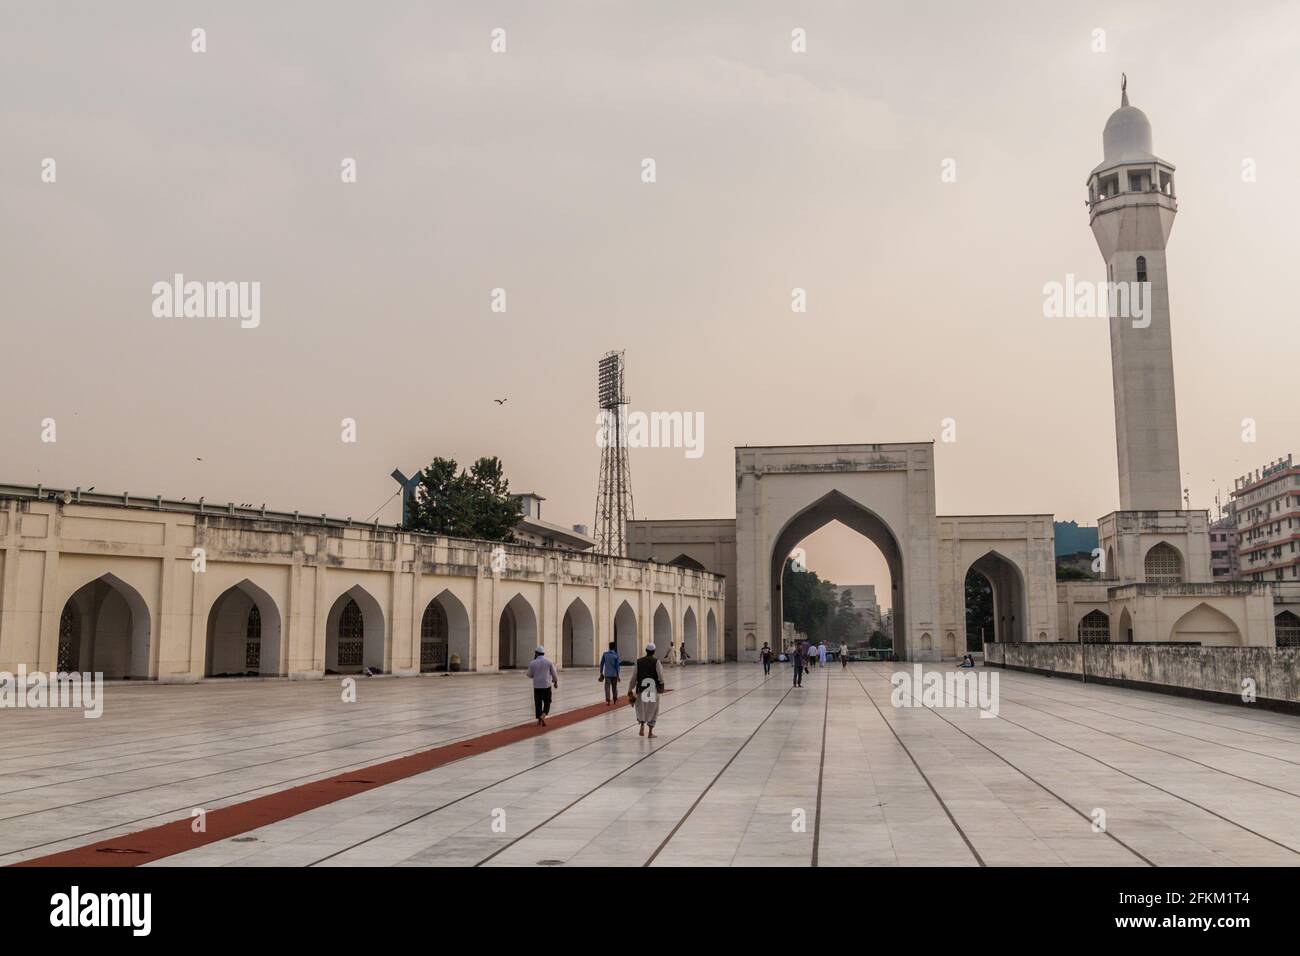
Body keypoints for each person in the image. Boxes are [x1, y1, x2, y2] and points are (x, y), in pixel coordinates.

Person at [629, 642, 666, 737]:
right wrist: (662, 684)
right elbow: (660, 675)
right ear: (654, 651)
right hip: (653, 689)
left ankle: (641, 725)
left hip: (641, 689)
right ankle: (650, 732)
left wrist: (630, 689)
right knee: (653, 710)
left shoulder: (639, 661)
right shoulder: (656, 661)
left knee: (641, 709)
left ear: (646, 651)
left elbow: (634, 677)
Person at [526, 645, 558, 726]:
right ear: (543, 653)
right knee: (547, 702)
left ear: (536, 653)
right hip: (546, 685)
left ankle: (539, 719)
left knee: (538, 703)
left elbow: (529, 675)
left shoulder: (533, 663)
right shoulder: (549, 662)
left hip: (537, 686)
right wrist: (555, 682)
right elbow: (554, 674)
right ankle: (543, 715)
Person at [598, 641, 621, 705]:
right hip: (614, 674)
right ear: (614, 647)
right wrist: (618, 675)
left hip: (607, 674)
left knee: (607, 687)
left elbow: (602, 664)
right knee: (614, 687)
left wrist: (601, 672)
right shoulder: (616, 655)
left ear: (609, 647)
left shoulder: (605, 654)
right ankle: (615, 700)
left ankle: (608, 700)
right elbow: (617, 666)